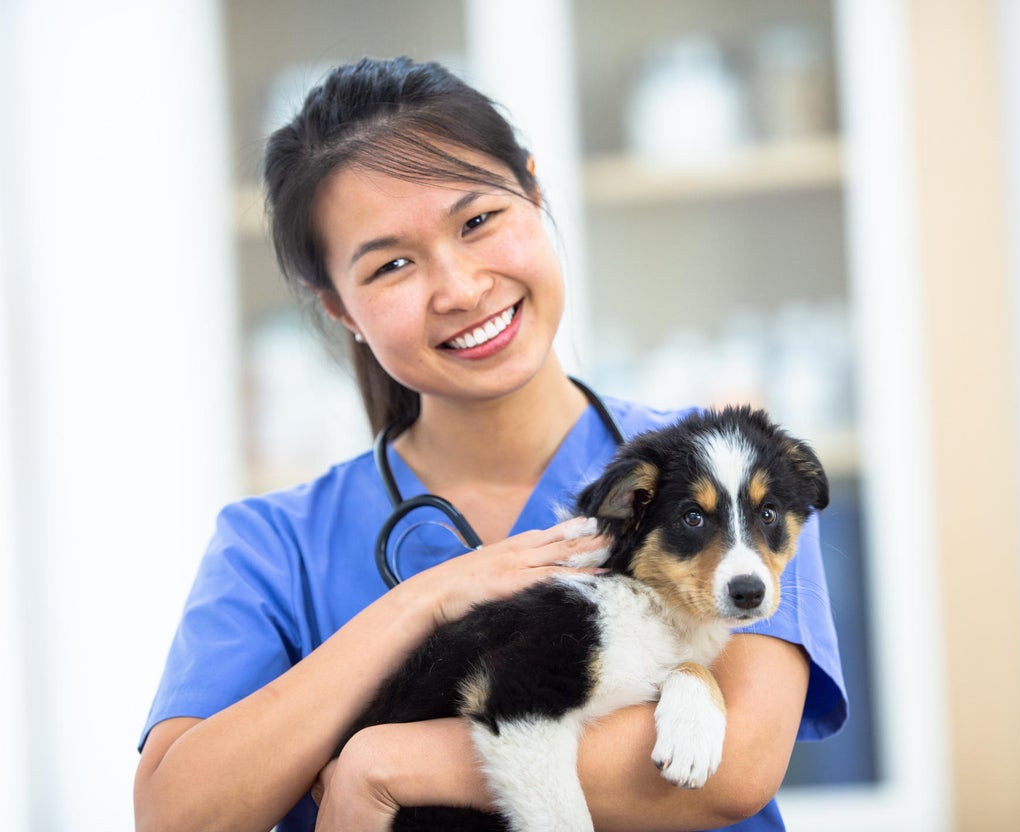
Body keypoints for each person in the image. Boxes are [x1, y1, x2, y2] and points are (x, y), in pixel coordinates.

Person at [133, 56, 846, 832]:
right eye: (392, 264)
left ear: (534, 193)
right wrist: (421, 603)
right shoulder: (277, 548)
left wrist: (385, 764)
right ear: (338, 307)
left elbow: (735, 766)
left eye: (477, 222)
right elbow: (178, 818)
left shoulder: (725, 475)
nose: (461, 288)